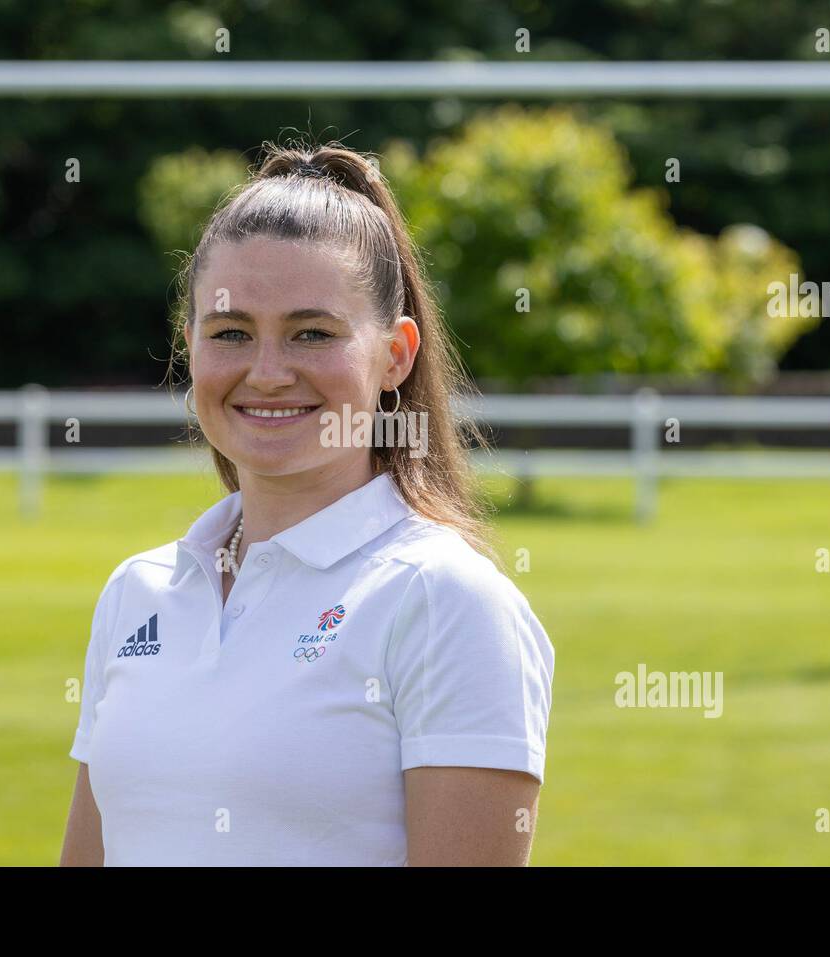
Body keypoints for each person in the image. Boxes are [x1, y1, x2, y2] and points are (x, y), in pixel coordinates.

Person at [60, 142, 555, 866]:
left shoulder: (444, 600)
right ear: (190, 345)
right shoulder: (137, 591)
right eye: (231, 333)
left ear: (396, 355)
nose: (267, 373)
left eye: (312, 333)